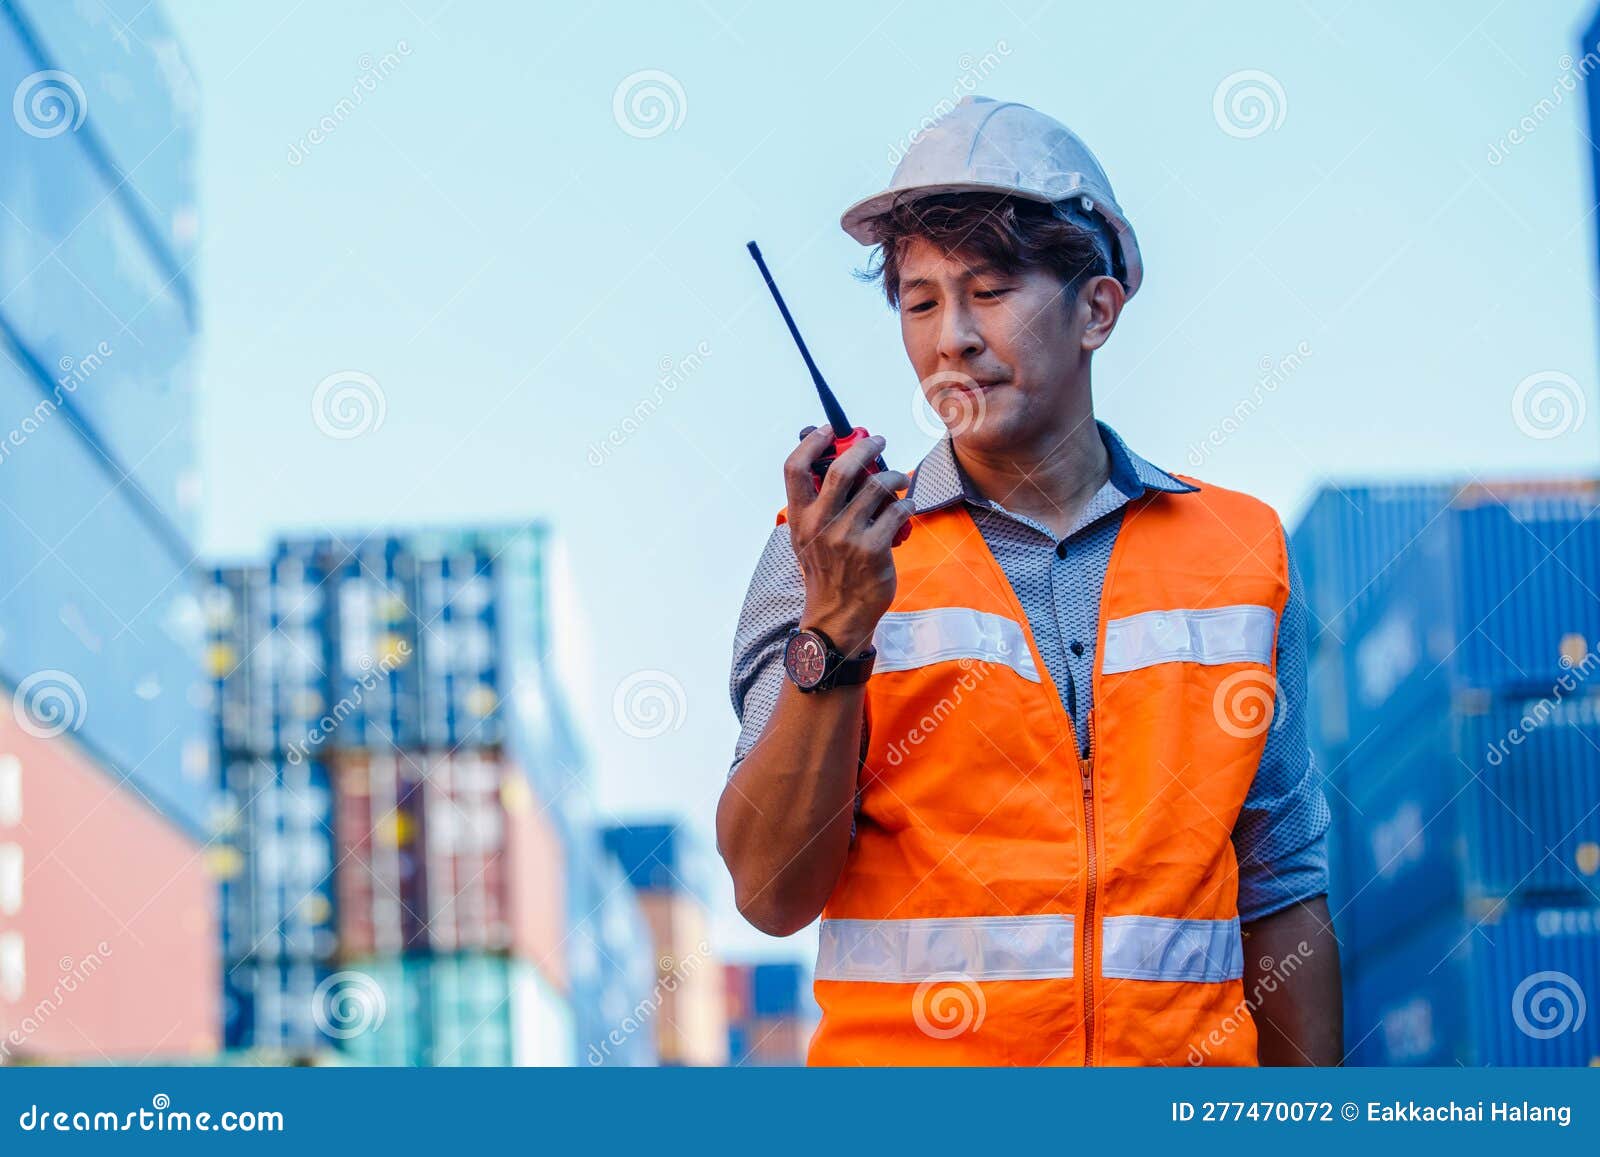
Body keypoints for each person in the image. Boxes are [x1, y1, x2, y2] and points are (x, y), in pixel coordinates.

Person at [718, 96, 1341, 1066]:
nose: (950, 337)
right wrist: (836, 621)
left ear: (1096, 307)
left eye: (990, 290)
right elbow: (768, 890)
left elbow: (1280, 888)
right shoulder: (818, 551)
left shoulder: (1239, 551)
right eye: (919, 302)